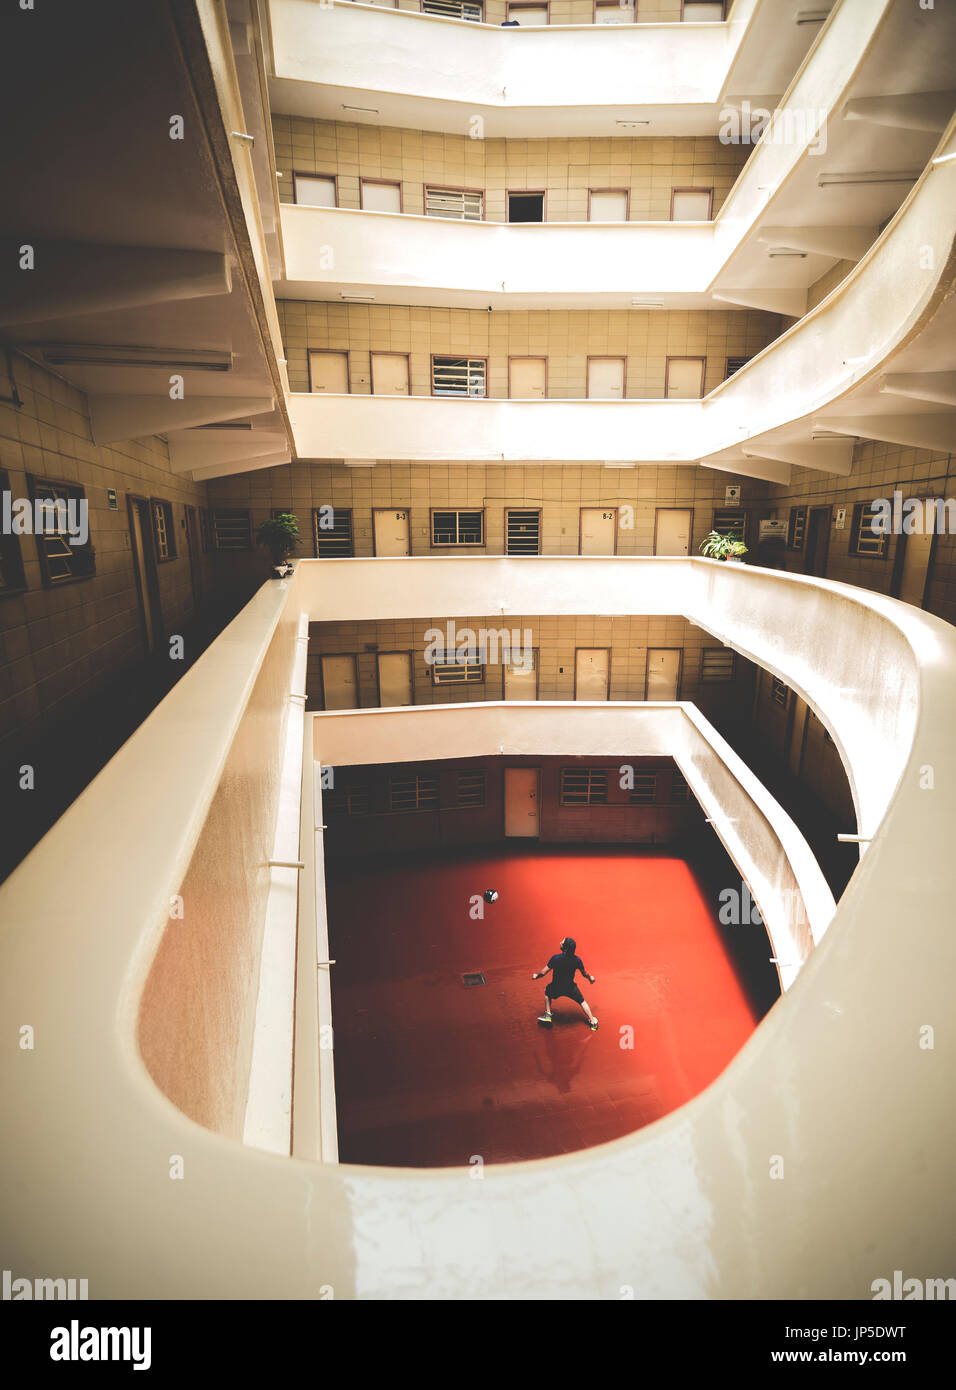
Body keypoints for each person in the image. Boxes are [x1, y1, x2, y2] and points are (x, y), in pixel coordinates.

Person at [532, 937, 598, 1029]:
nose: (560, 942)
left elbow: (543, 972)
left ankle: (548, 1015)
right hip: (570, 988)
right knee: (582, 1002)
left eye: (562, 942)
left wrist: (536, 976)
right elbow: (584, 973)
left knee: (547, 992)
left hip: (556, 987)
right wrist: (590, 978)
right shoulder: (577, 960)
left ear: (565, 948)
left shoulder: (555, 958)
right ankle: (592, 1021)